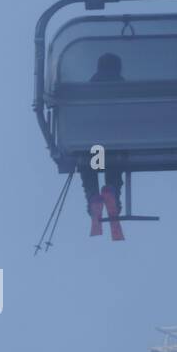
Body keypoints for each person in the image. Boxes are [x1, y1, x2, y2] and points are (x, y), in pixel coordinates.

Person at [80, 53, 126, 240]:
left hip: (96, 144)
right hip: (115, 143)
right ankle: (111, 191)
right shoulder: (123, 85)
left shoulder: (91, 86)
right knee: (114, 165)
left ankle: (93, 196)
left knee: (91, 164)